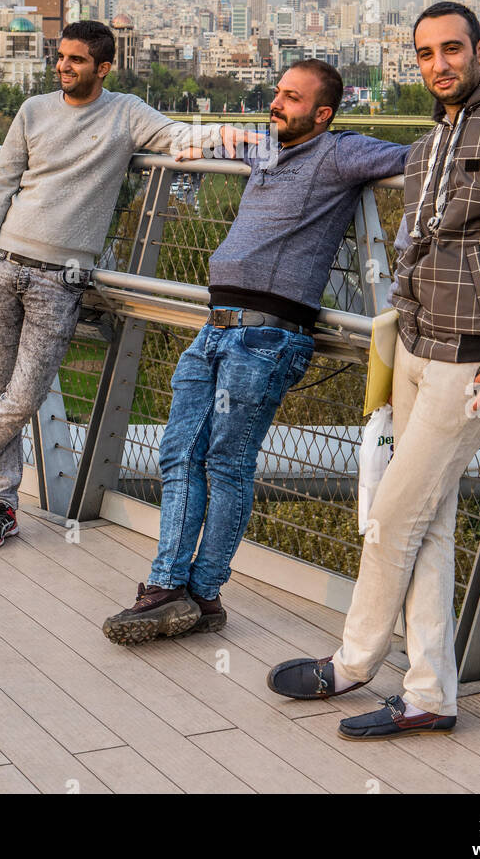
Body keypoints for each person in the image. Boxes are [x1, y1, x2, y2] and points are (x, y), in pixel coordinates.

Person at [267, 3, 480, 739]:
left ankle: (352, 661)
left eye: (451, 49)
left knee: (393, 519)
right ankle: (430, 694)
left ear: (479, 49)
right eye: (425, 54)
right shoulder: (437, 134)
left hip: (474, 364)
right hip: (415, 347)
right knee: (428, 525)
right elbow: (416, 237)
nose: (438, 64)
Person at [102, 58, 408, 645]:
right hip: (214, 326)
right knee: (176, 454)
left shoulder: (340, 153)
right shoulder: (264, 150)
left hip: (268, 336)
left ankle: (197, 591)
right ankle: (173, 590)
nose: (277, 102)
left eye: (292, 98)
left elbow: (417, 159)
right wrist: (215, 135)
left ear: (322, 114)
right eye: (277, 92)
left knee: (226, 463)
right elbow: (198, 139)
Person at [0, 20, 239, 548]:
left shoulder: (126, 114)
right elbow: (0, 185)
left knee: (23, 395)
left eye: (75, 59)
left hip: (62, 279)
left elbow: (179, 138)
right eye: (60, 57)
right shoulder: (33, 112)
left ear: (103, 66)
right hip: (2, 264)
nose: (62, 67)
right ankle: (2, 506)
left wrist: (237, 136)